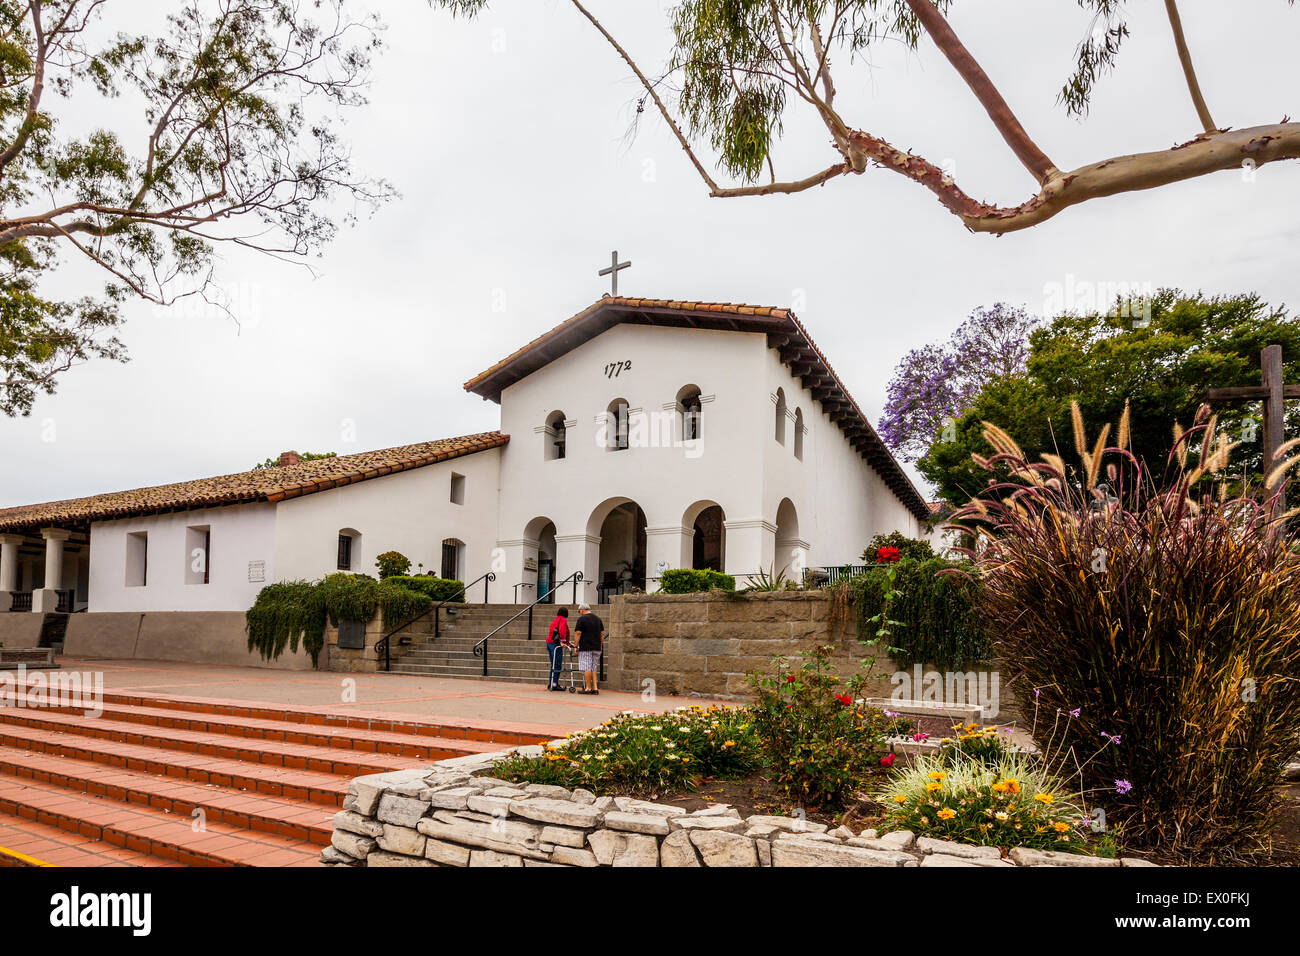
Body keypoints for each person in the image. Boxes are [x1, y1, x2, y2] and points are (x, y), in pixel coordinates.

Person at [573, 603, 605, 695]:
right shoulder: (598, 619)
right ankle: (595, 688)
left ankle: (588, 688)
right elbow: (602, 633)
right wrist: (601, 645)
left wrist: (575, 646)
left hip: (586, 647)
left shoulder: (582, 619)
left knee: (586, 667)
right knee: (593, 667)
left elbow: (578, 633)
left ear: (582, 610)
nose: (580, 613)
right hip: (597, 647)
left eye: (579, 612)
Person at [545, 607, 571, 691]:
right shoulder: (563, 619)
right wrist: (562, 642)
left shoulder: (556, 619)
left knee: (554, 664)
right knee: (557, 664)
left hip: (549, 642)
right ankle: (554, 684)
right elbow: (562, 631)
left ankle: (551, 683)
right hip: (555, 644)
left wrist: (568, 642)